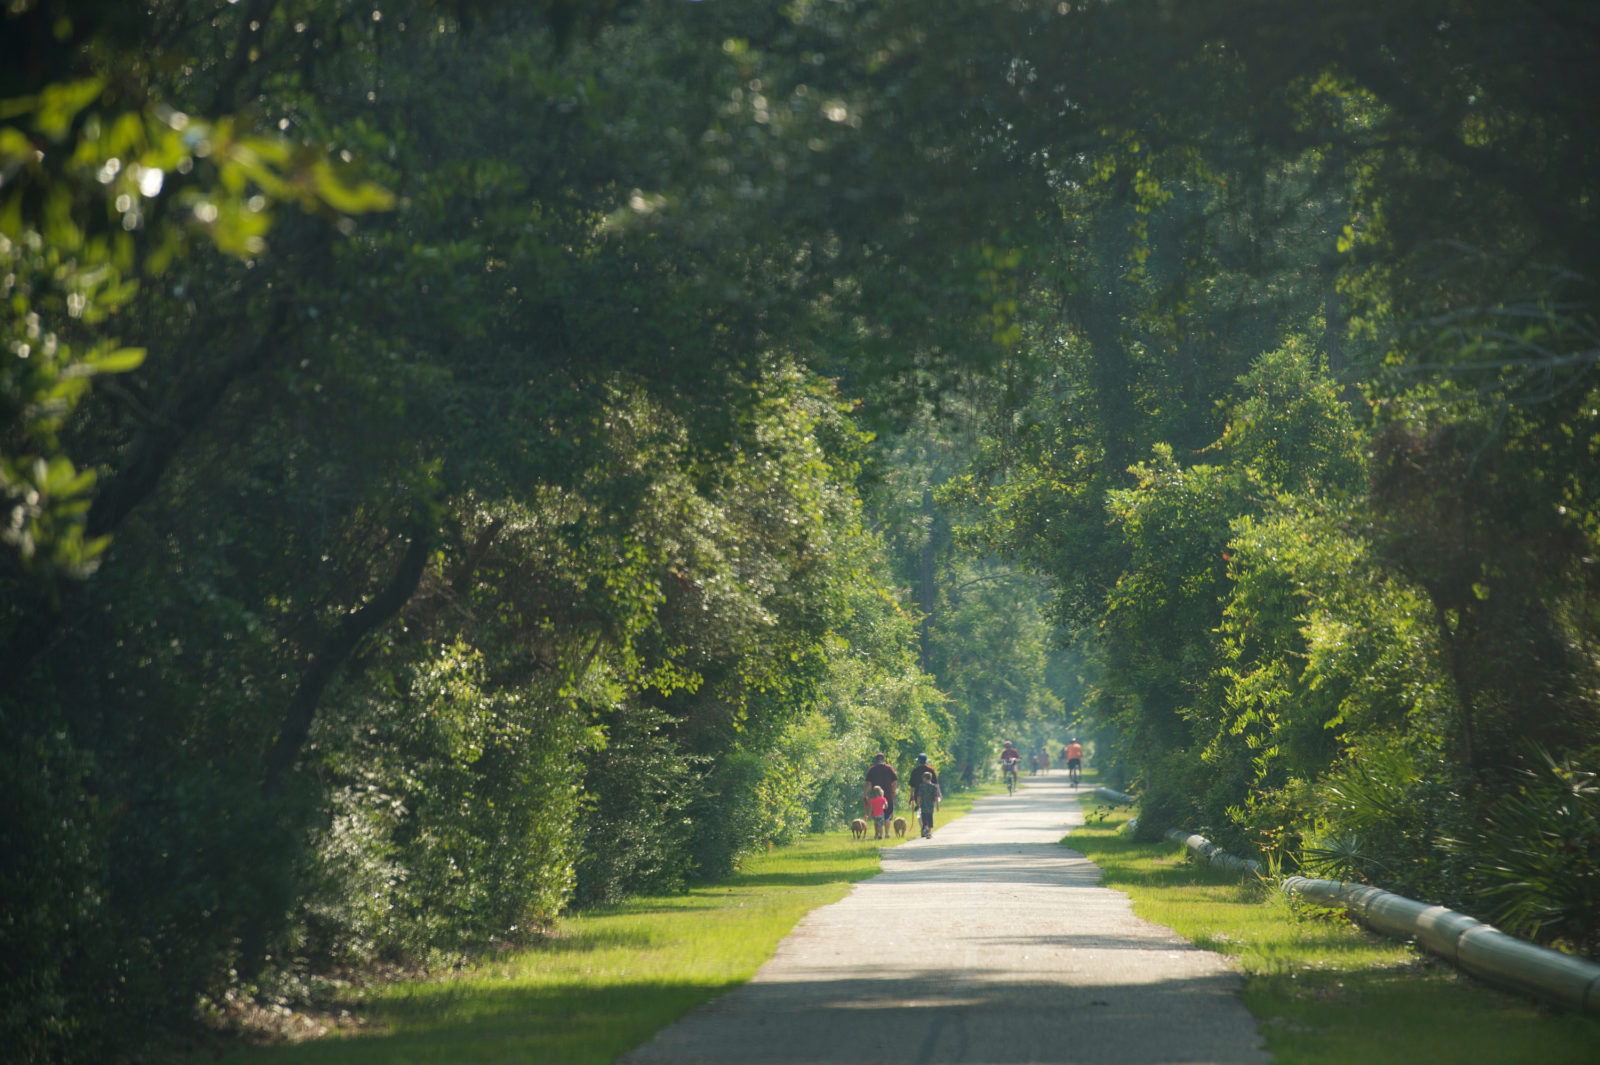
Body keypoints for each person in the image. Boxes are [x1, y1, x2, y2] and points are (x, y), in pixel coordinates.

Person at [907, 753, 941, 838]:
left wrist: (911, 795)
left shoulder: (915, 770)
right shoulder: (931, 770)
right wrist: (939, 794)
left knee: (920, 813)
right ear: (926, 761)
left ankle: (923, 829)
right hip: (930, 796)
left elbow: (912, 785)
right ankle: (927, 830)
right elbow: (936, 784)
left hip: (919, 794)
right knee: (929, 812)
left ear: (918, 761)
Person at [864, 752, 898, 827]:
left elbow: (868, 784)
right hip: (888, 795)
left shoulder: (872, 769)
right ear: (884, 759)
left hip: (875, 795)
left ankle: (878, 834)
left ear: (876, 760)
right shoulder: (889, 768)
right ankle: (887, 833)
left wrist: (865, 795)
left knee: (876, 815)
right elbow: (895, 781)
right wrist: (893, 791)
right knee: (887, 815)